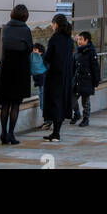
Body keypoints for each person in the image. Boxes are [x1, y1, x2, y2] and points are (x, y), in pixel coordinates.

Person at [0, 3, 33, 145]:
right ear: (25, 16)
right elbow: (29, 48)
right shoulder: (26, 30)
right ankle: (11, 134)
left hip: (5, 69)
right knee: (15, 104)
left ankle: (3, 133)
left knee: (5, 105)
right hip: (20, 70)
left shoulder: (6, 27)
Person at [43, 13, 75, 141]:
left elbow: (48, 57)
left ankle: (56, 133)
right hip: (66, 75)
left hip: (55, 74)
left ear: (56, 24)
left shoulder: (54, 39)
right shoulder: (69, 39)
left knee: (54, 102)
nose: (52, 26)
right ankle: (57, 132)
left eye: (53, 23)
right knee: (61, 102)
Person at [71, 30, 101, 126]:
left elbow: (95, 68)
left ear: (86, 40)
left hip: (87, 81)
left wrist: (96, 81)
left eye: (81, 39)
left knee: (85, 102)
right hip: (76, 81)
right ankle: (77, 114)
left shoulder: (91, 52)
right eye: (78, 39)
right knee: (71, 99)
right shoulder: (77, 52)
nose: (78, 41)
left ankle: (86, 119)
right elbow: (73, 68)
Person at [30, 41, 48, 124]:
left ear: (40, 52)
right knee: (42, 101)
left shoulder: (43, 59)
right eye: (33, 50)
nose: (33, 51)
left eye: (35, 50)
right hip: (41, 83)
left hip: (44, 82)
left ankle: (47, 120)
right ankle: (47, 120)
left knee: (43, 102)